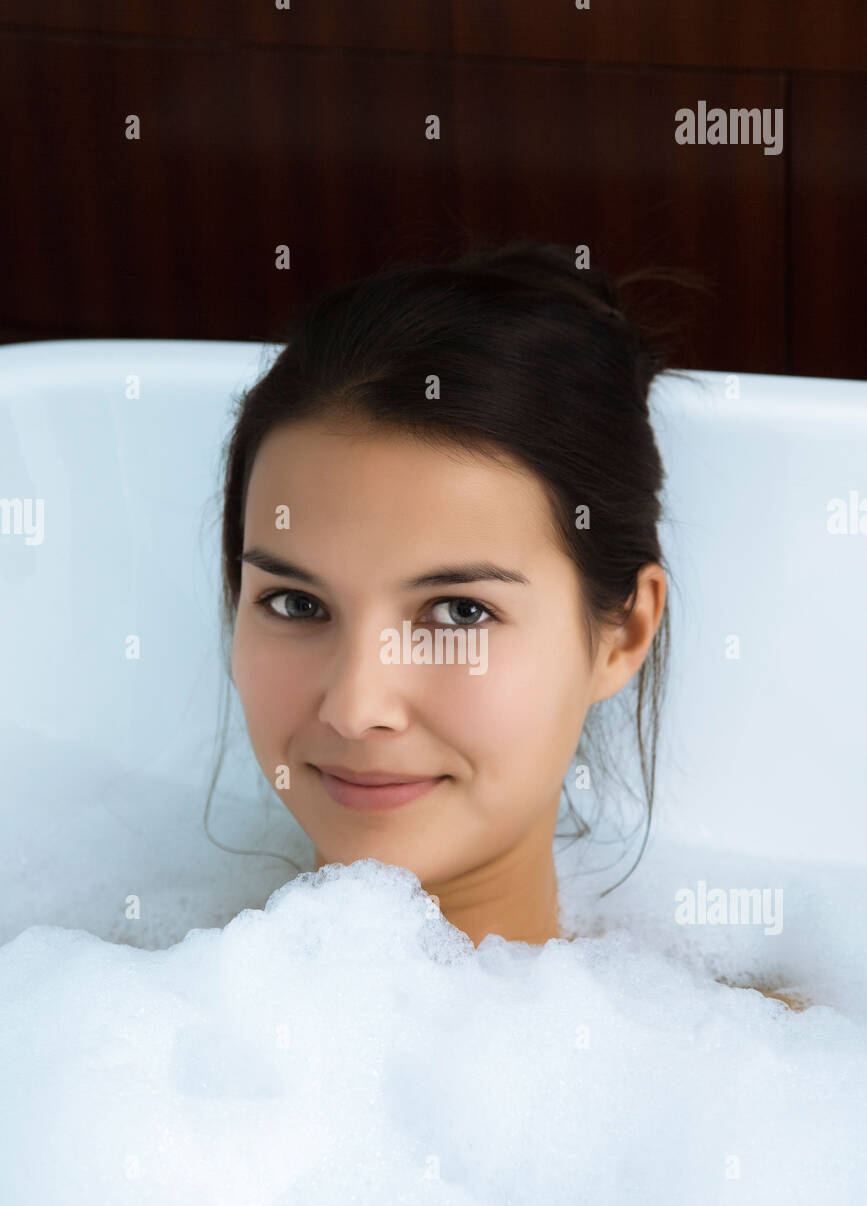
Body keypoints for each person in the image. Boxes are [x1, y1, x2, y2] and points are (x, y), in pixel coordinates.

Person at [216, 239, 807, 1010]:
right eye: (297, 604)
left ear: (621, 634)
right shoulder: (112, 1022)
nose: (356, 707)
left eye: (459, 612)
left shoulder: (755, 1065)